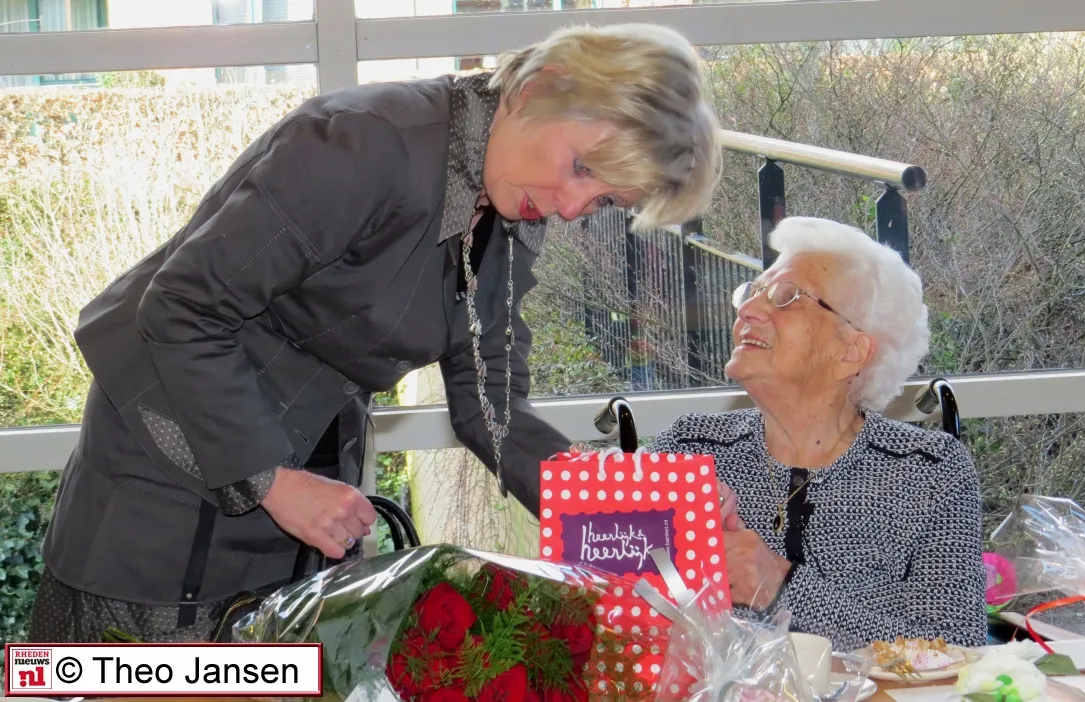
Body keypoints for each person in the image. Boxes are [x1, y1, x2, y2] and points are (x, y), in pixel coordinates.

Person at [27, 23, 722, 643]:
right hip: (170, 483)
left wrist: (635, 507)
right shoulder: (362, 142)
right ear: (538, 88)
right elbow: (179, 308)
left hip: (303, 495)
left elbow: (490, 402)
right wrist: (269, 480)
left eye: (602, 201)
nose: (572, 206)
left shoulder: (511, 204)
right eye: (582, 167)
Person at [650, 216, 988, 652]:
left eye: (786, 297)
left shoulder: (929, 472)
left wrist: (781, 585)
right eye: (753, 292)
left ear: (852, 352)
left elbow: (957, 650)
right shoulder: (689, 450)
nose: (747, 309)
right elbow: (606, 608)